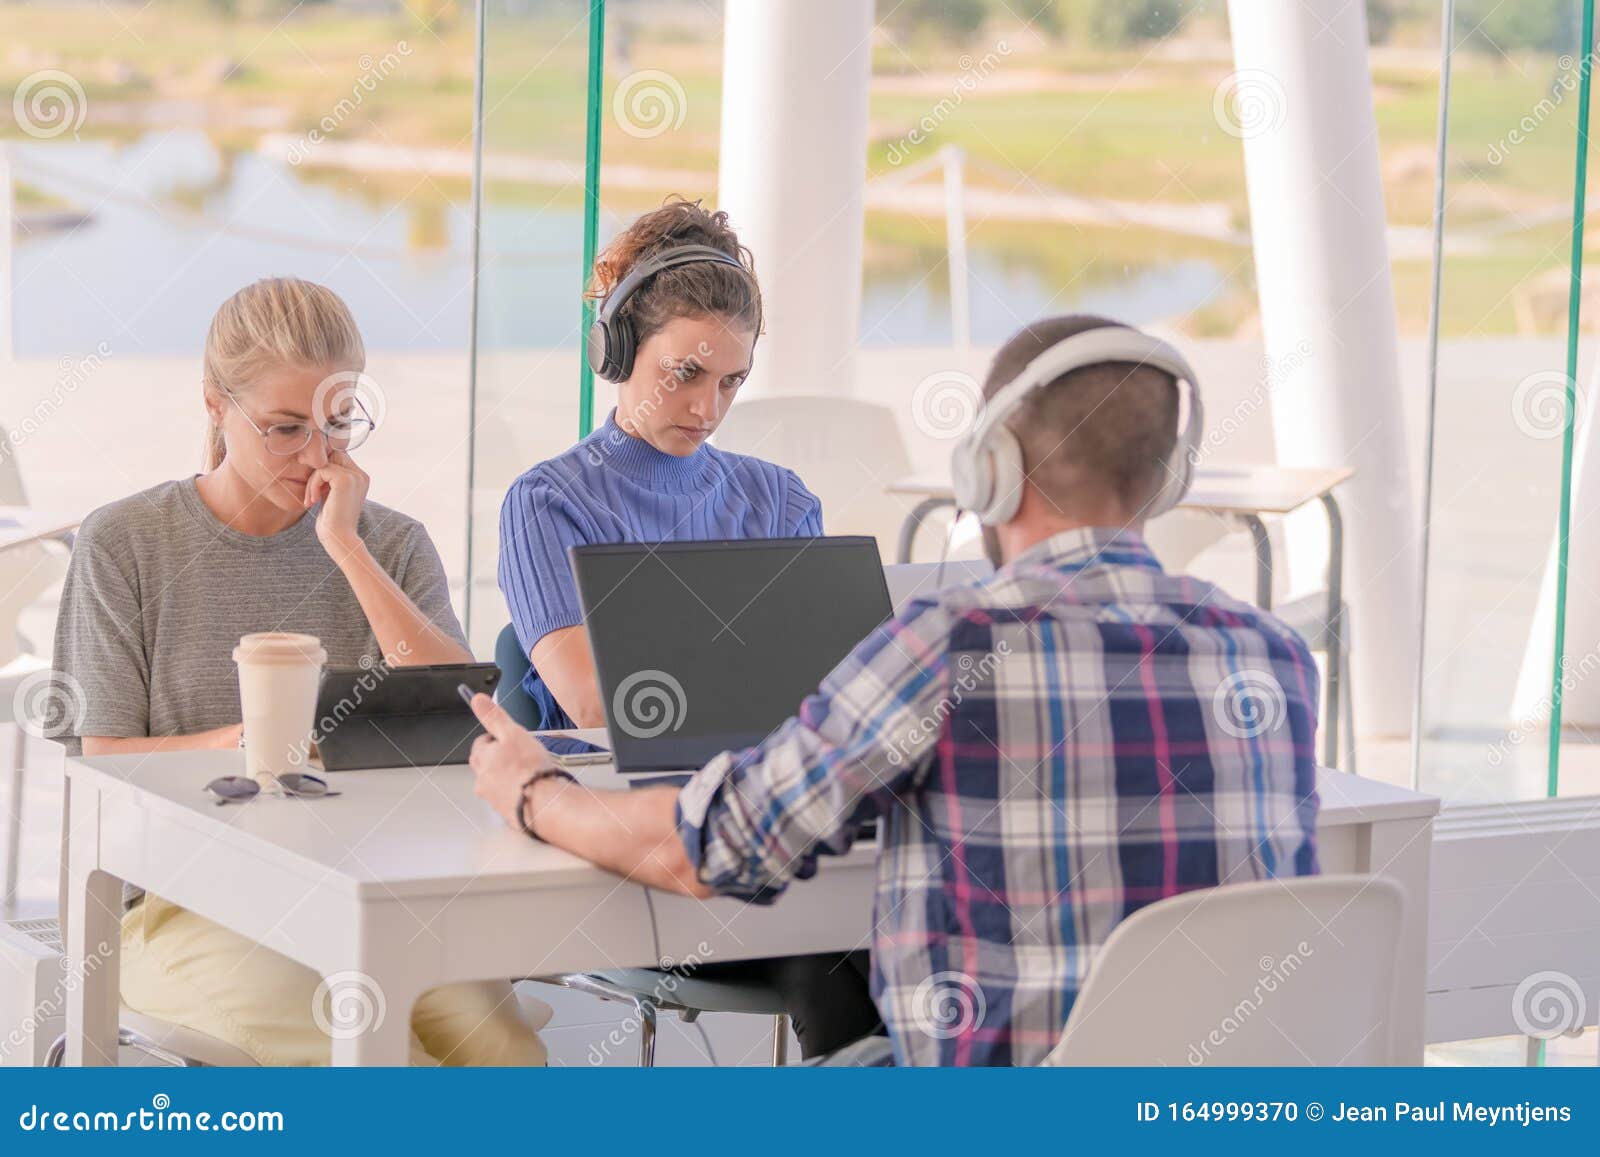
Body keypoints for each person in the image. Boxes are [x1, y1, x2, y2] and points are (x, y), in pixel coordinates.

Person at [469, 314, 1323, 1066]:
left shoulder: (950, 645)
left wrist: (537, 792)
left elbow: (709, 848)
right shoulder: (1276, 659)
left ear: (990, 468)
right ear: (1165, 479)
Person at [52, 278, 550, 1067]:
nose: (317, 456)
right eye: (285, 428)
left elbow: (461, 710)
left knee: (505, 1052)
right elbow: (104, 757)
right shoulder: (125, 542)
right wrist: (253, 744)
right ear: (215, 405)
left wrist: (346, 547)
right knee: (382, 1063)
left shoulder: (391, 544)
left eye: (338, 424)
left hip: (368, 886)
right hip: (178, 901)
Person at [496, 198, 883, 1059]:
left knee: (909, 913)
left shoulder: (780, 499)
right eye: (685, 373)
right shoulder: (549, 502)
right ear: (617, 351)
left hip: (767, 824)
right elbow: (595, 701)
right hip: (629, 841)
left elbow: (829, 697)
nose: (708, 406)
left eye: (731, 381)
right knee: (838, 945)